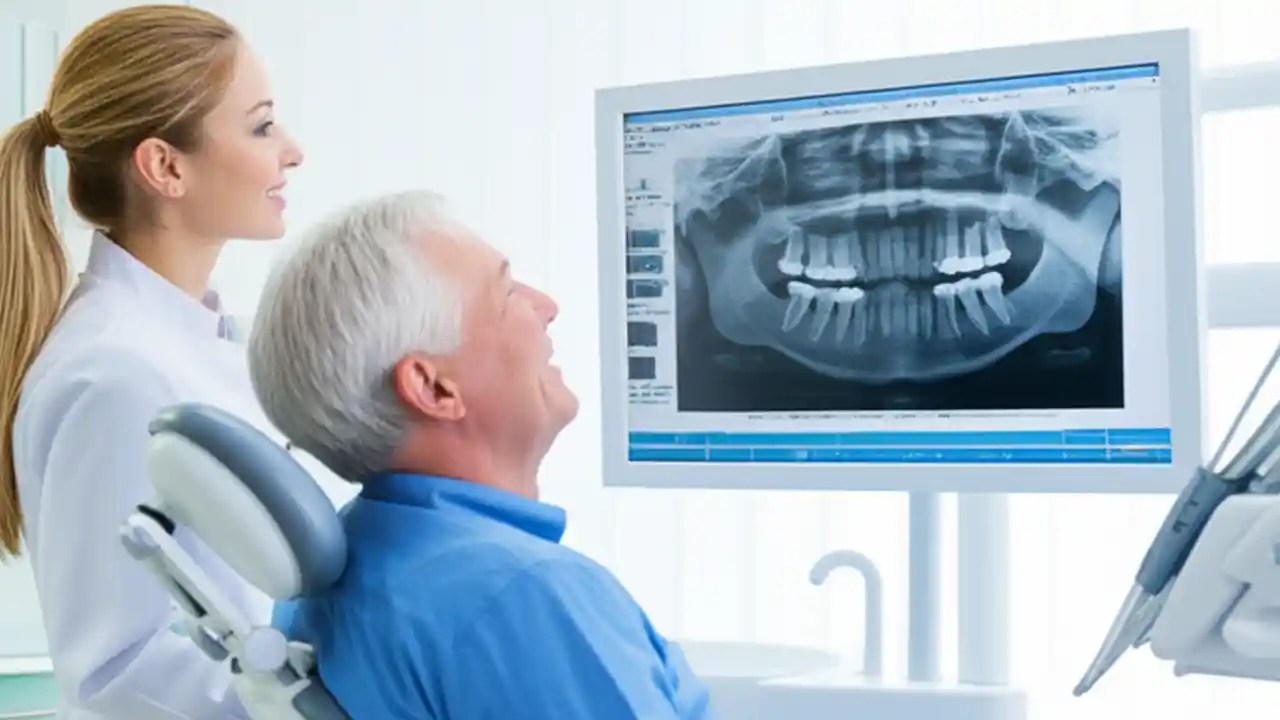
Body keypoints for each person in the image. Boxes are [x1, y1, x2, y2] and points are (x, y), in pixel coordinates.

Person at [246, 190, 715, 719]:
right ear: (434, 388)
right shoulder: (523, 596)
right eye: (508, 292)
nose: (547, 306)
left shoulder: (331, 578)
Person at [0, 5, 304, 718]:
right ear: (165, 166)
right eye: (262, 127)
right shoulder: (114, 373)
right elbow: (115, 675)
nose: (292, 151)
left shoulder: (175, 343)